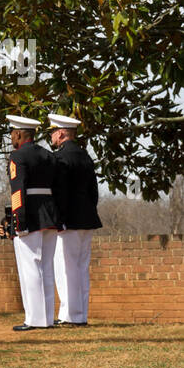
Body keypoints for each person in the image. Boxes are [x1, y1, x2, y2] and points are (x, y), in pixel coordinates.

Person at [5, 114, 63, 331]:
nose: (11, 136)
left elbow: (17, 190)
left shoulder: (18, 156)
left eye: (12, 133)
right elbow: (57, 189)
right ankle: (47, 318)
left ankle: (35, 319)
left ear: (19, 134)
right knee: (47, 268)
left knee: (30, 268)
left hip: (30, 215)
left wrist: (18, 220)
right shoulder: (49, 155)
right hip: (50, 215)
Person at [48, 113, 101, 326]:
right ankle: (80, 314)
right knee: (80, 268)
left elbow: (60, 193)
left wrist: (58, 219)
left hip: (68, 221)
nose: (51, 136)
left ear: (61, 133)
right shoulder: (85, 156)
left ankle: (69, 315)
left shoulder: (60, 158)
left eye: (52, 132)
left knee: (65, 268)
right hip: (87, 219)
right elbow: (93, 191)